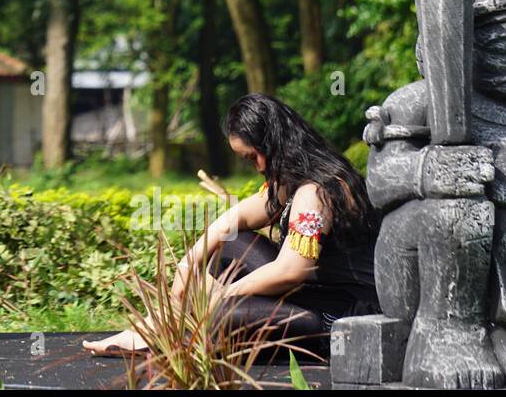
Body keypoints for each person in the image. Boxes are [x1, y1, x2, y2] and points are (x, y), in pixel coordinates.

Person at [83, 93, 381, 360]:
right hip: (314, 295)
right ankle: (165, 325)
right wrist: (187, 265)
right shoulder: (289, 183)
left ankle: (166, 337)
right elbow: (232, 221)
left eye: (260, 154)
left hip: (345, 317)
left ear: (282, 142)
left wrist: (222, 295)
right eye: (250, 159)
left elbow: (292, 270)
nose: (261, 165)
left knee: (217, 313)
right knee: (230, 240)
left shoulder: (317, 192)